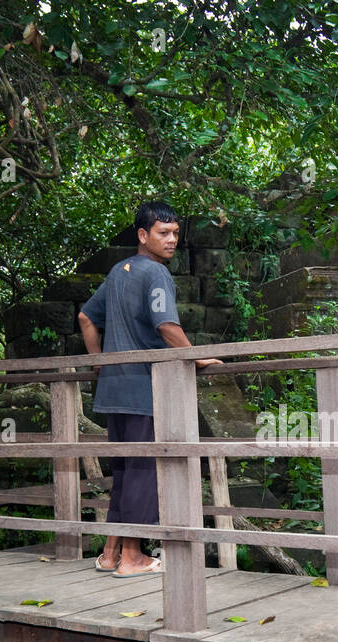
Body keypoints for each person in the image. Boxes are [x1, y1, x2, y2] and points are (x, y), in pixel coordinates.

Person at [78, 201, 221, 576]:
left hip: (112, 390)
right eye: (164, 233)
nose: (172, 240)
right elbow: (166, 326)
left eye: (175, 233)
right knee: (143, 470)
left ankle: (110, 554)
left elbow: (85, 318)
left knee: (125, 470)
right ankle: (132, 557)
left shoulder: (116, 271)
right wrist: (199, 358)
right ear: (143, 236)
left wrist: (100, 364)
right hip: (143, 388)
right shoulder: (156, 274)